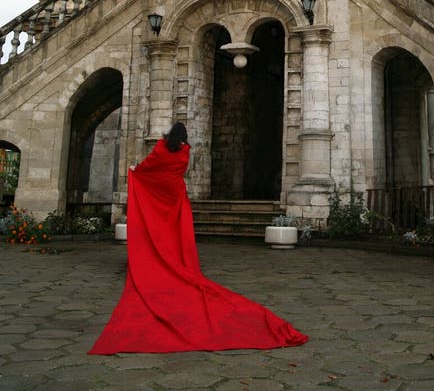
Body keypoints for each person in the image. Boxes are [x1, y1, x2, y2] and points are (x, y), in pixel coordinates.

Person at [89, 122, 308, 354]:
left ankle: (158, 257)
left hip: (160, 193)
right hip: (175, 195)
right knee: (174, 232)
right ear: (184, 137)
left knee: (159, 228)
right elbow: (177, 171)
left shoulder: (163, 148)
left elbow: (150, 166)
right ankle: (175, 260)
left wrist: (135, 171)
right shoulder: (185, 152)